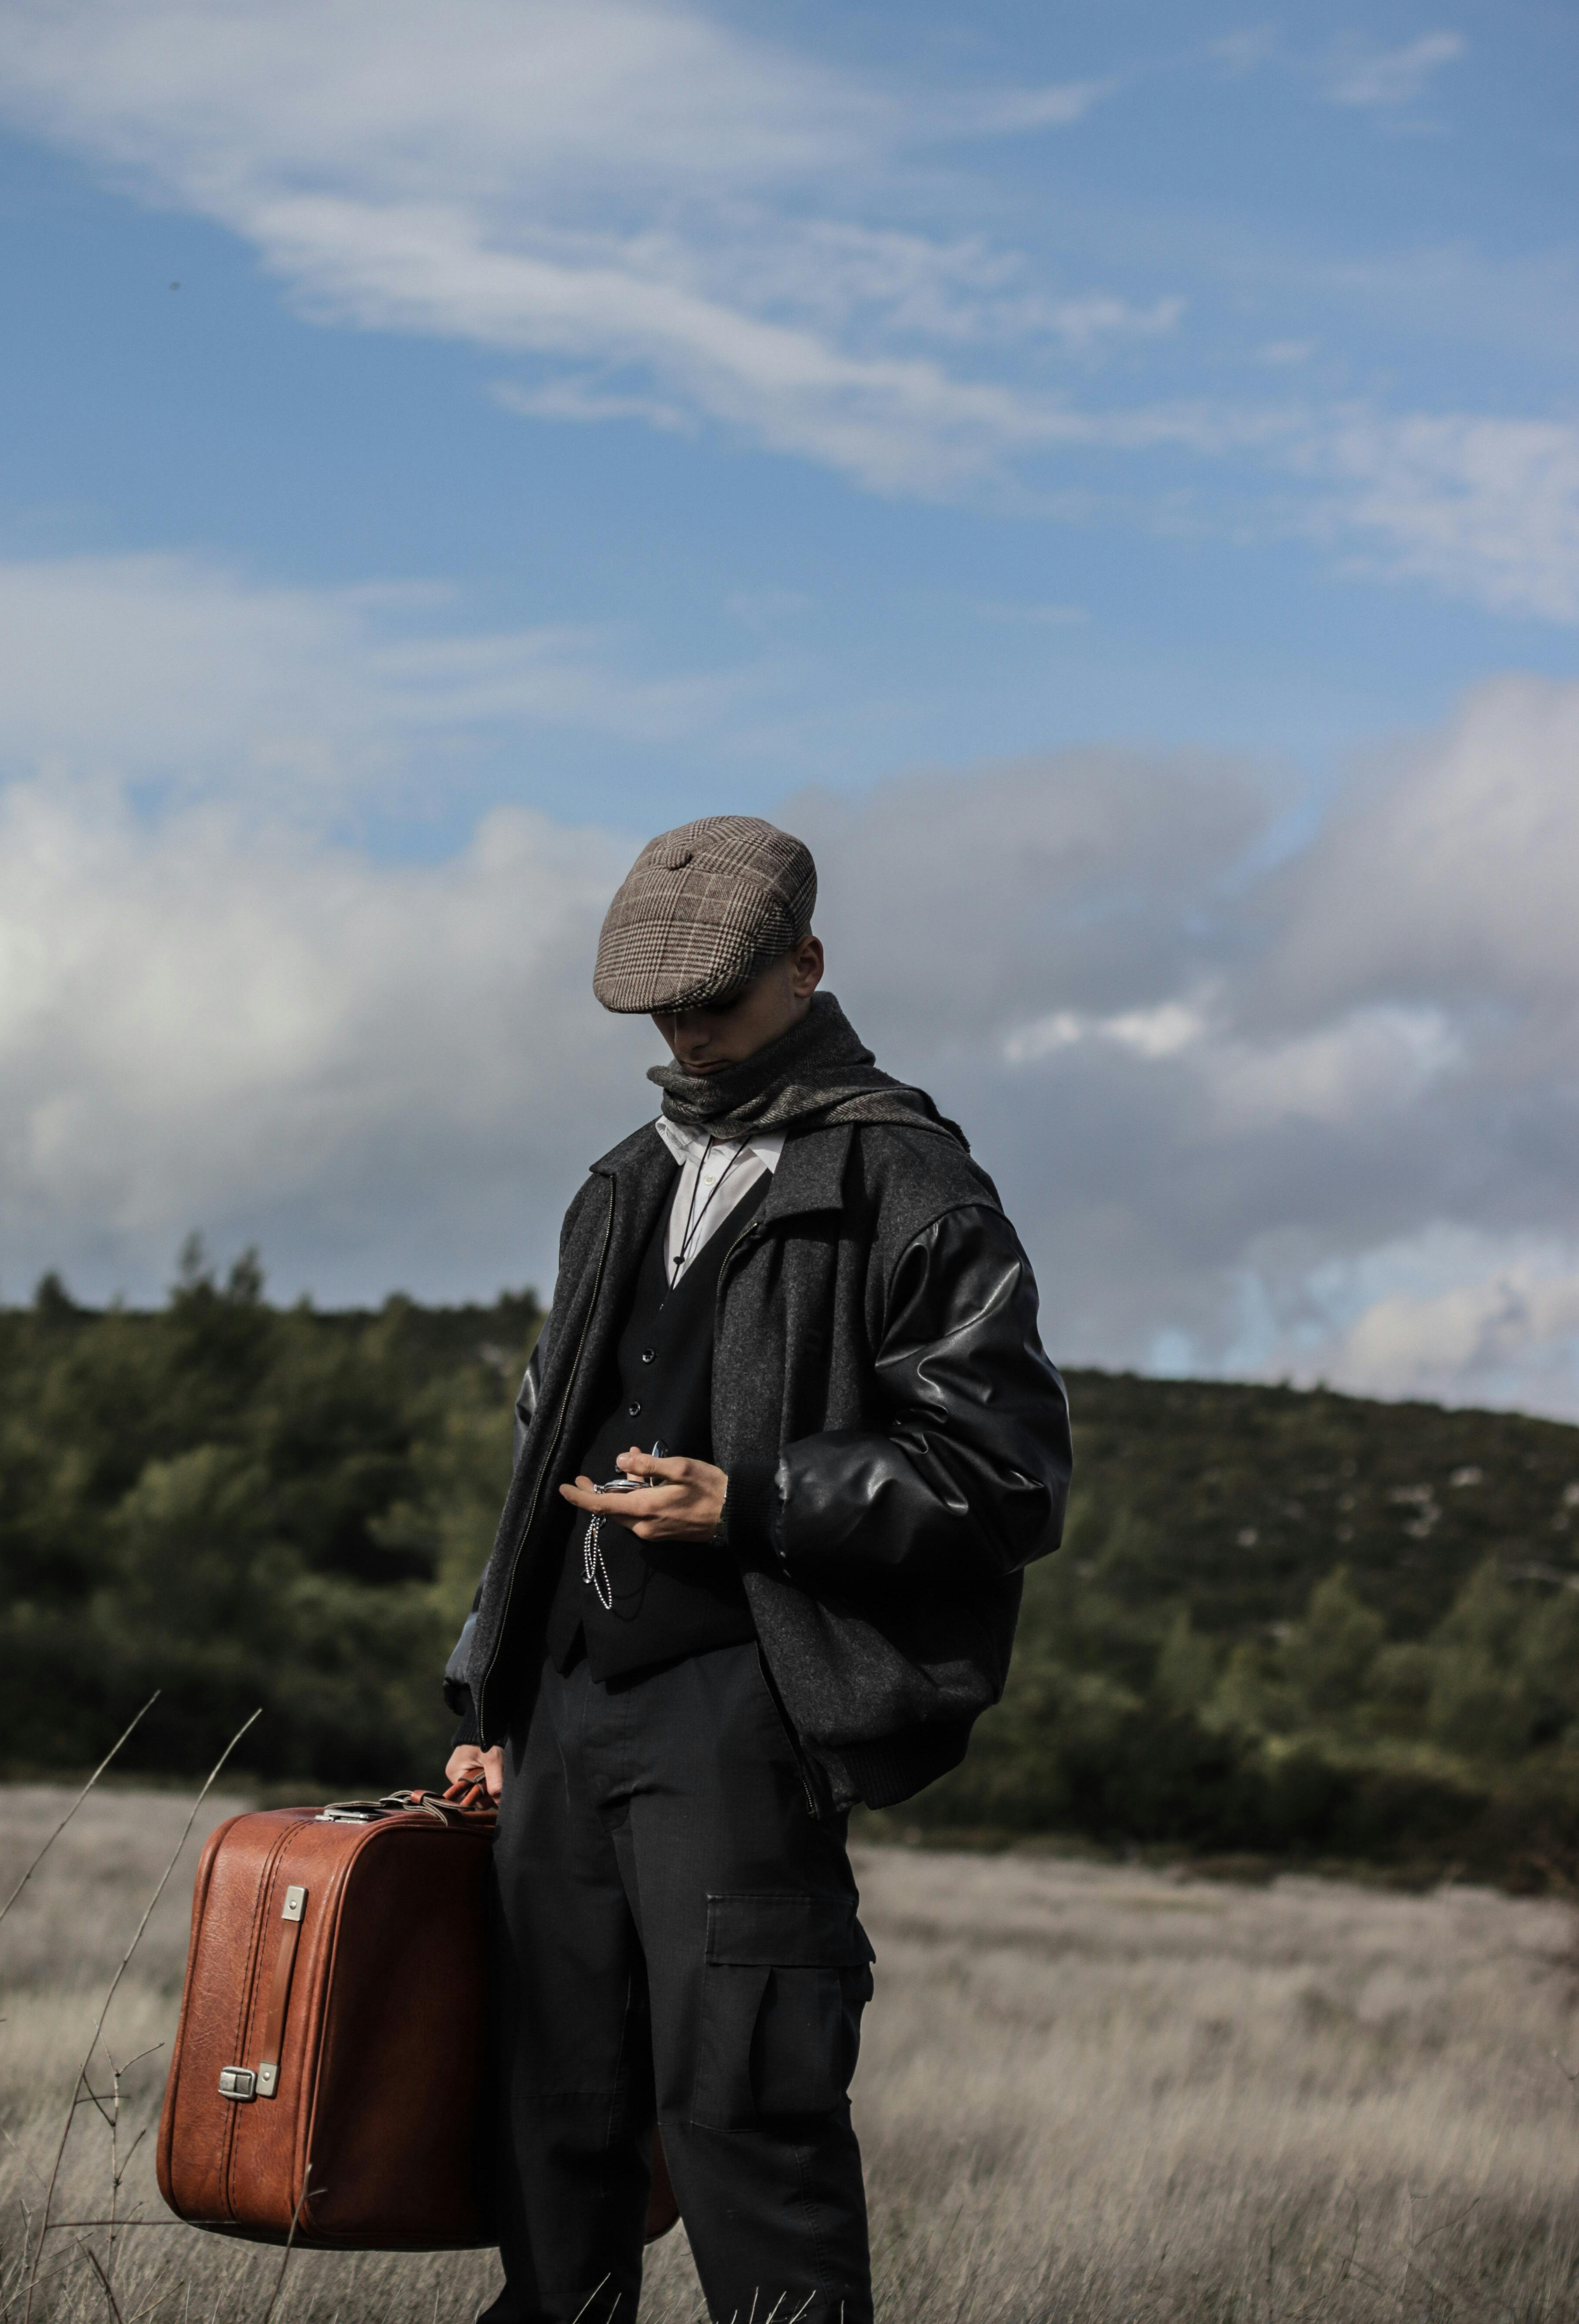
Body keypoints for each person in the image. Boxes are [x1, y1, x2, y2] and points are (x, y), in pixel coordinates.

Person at [444, 816, 1071, 2324]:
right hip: (562, 1721)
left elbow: (1010, 1477)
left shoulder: (909, 1181)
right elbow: (541, 1462)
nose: (687, 1038)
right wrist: (485, 1701)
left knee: (747, 2123)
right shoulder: (614, 1187)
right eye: (662, 1016)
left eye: (715, 1005)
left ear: (806, 963)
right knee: (551, 2135)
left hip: (745, 1719)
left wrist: (758, 1500)